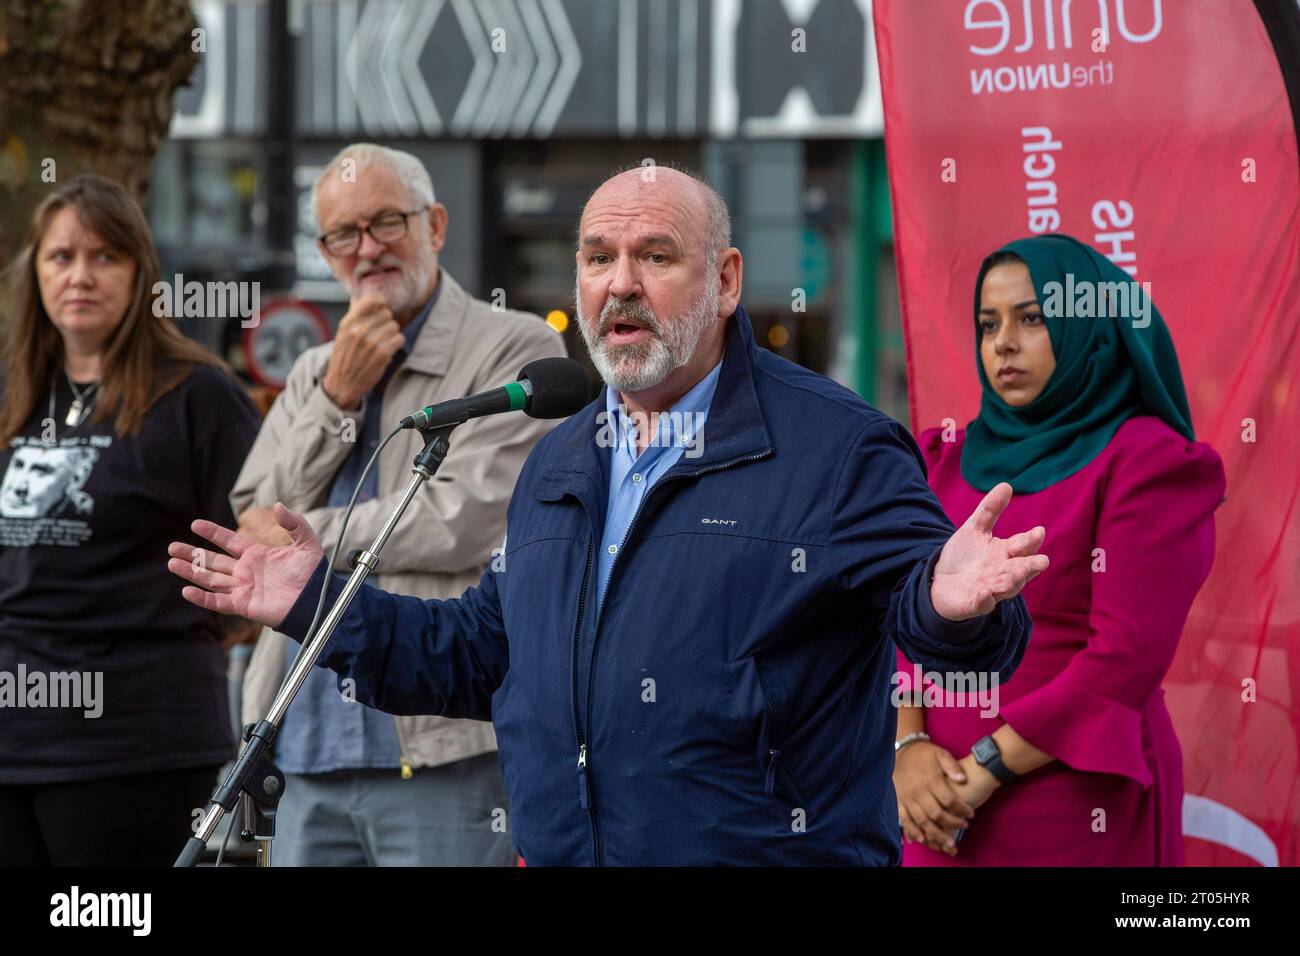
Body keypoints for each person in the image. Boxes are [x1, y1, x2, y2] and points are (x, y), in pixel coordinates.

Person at [169, 166, 1046, 866]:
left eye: (656, 257)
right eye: (596, 257)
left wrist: (950, 604)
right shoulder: (559, 455)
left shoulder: (836, 445)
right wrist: (314, 602)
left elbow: (938, 627)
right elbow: (483, 655)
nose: (619, 284)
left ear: (727, 279)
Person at [231, 144, 566, 866]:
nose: (369, 248)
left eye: (387, 221)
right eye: (344, 234)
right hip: (304, 739)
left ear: (436, 225)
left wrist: (305, 542)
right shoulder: (315, 372)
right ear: (324, 251)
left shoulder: (515, 347)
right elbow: (253, 515)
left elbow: (463, 518)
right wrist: (336, 399)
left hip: (439, 741)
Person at [893, 234, 1225, 865]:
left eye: (1033, 319)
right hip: (936, 808)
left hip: (1072, 799)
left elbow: (1123, 658)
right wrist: (907, 750)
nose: (1003, 344)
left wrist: (986, 767)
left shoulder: (1147, 462)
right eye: (989, 324)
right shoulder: (947, 458)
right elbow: (905, 621)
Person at [0, 174, 260, 865]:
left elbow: (252, 567)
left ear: (142, 271)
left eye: (105, 256)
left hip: (138, 741)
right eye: (61, 257)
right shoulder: (13, 394)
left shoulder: (200, 397)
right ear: (35, 273)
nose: (80, 276)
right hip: (12, 740)